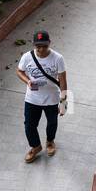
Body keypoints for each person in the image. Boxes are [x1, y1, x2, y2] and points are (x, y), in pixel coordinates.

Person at [16, 30, 67, 163]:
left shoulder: (58, 58)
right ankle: (35, 146)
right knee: (29, 125)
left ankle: (50, 142)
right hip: (32, 98)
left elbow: (63, 81)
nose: (42, 49)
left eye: (44, 46)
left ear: (49, 43)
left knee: (52, 123)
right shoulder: (27, 57)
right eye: (38, 46)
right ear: (34, 45)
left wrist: (64, 103)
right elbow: (19, 71)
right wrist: (27, 81)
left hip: (52, 98)